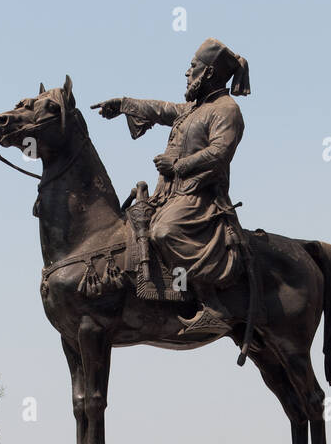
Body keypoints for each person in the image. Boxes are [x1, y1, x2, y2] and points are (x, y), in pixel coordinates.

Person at [93, 38, 250, 335]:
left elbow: (219, 153)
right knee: (134, 221)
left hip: (201, 197)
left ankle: (213, 304)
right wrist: (124, 104)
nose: (187, 73)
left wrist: (178, 166)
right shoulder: (195, 108)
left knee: (165, 230)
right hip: (173, 194)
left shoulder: (226, 109)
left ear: (208, 73)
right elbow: (162, 109)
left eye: (193, 67)